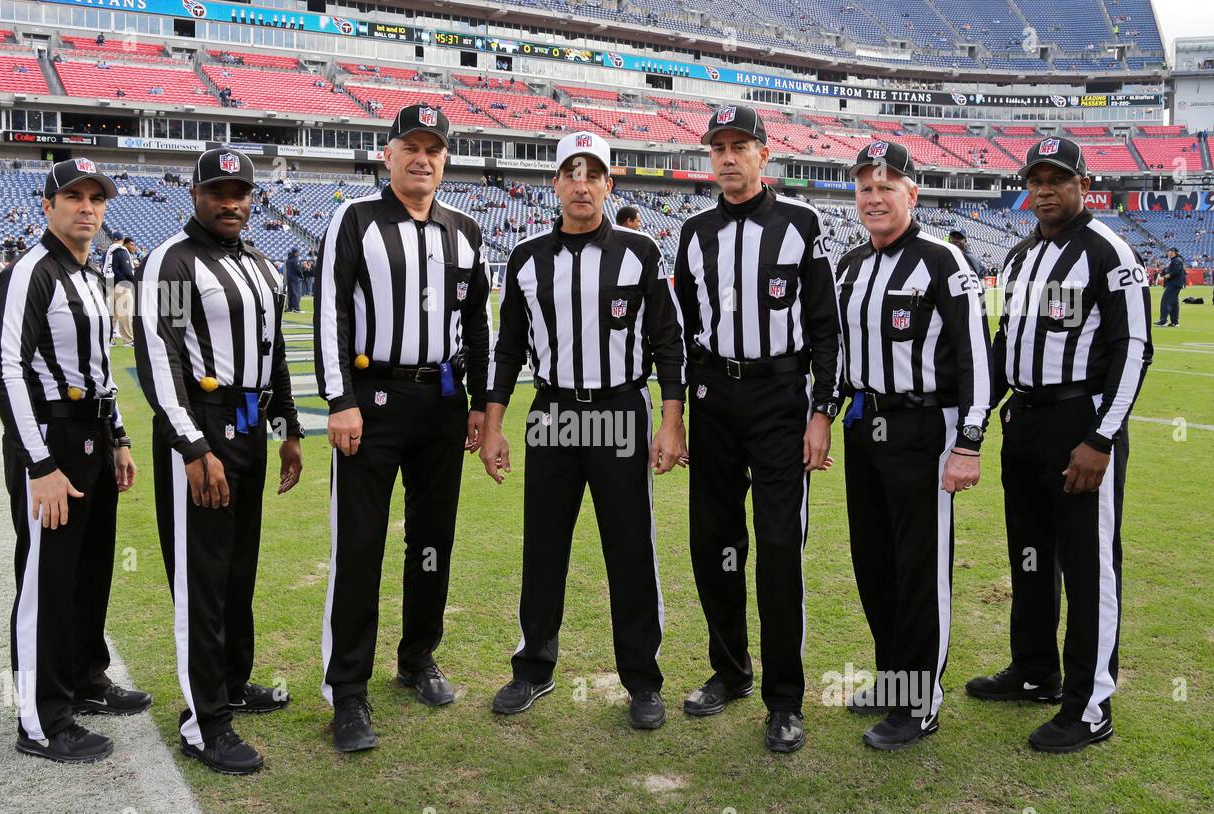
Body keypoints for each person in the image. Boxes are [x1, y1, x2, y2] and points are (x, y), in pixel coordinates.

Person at [479, 132, 687, 731]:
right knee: (544, 544)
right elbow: (508, 348)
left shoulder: (641, 252)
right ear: (555, 185)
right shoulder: (525, 257)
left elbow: (667, 343)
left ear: (608, 185)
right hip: (553, 412)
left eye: (592, 173)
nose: (581, 183)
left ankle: (643, 680)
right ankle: (533, 668)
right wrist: (494, 426)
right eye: (570, 172)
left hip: (621, 408)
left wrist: (671, 421)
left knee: (630, 548)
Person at [313, 105, 490, 753]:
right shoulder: (354, 219)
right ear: (387, 154)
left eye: (434, 148)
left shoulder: (465, 228)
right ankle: (348, 689)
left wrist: (478, 401)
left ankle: (418, 656)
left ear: (446, 158)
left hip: (442, 400)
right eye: (410, 146)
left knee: (432, 537)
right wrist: (340, 399)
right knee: (360, 543)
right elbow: (331, 309)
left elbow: (477, 324)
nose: (422, 158)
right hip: (373, 398)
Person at [967, 136, 1152, 753]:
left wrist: (1102, 437)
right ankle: (1035, 669)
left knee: (1088, 564)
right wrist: (978, 418)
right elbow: (1004, 343)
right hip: (1025, 420)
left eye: (1059, 179)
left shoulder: (1109, 252)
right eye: (1036, 179)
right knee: (1031, 555)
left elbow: (1134, 350)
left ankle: (1090, 704)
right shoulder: (1020, 258)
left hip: (1080, 420)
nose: (1046, 189)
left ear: (1082, 183)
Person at [673, 105, 841, 753]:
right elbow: (685, 329)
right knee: (713, 542)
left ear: (764, 154)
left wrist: (822, 410)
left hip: (779, 398)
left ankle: (785, 697)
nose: (729, 157)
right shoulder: (693, 232)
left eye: (741, 145)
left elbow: (825, 327)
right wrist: (679, 409)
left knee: (775, 547)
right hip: (715, 395)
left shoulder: (802, 223)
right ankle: (730, 670)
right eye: (718, 147)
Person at [135, 148, 305, 775]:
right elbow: (163, 359)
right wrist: (193, 447)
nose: (230, 202)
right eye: (218, 192)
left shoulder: (258, 263)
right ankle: (204, 721)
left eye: (240, 192)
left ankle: (232, 683)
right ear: (195, 196)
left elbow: (274, 351)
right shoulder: (175, 263)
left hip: (251, 424)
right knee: (202, 578)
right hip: (203, 425)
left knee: (237, 569)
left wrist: (287, 429)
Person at [0, 158, 147, 764]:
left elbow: (99, 371)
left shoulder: (88, 272)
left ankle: (84, 679)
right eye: (73, 197)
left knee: (88, 567)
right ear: (47, 206)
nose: (86, 207)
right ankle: (40, 717)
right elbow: (6, 372)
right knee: (46, 578)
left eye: (96, 198)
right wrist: (39, 465)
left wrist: (120, 436)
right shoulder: (31, 271)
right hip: (51, 438)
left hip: (92, 435)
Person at [836, 141, 992, 749]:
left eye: (887, 187)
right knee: (874, 562)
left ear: (912, 194)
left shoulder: (943, 262)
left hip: (924, 427)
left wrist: (969, 442)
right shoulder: (850, 264)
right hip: (865, 424)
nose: (874, 198)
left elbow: (977, 359)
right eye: (866, 187)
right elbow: (841, 356)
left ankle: (921, 698)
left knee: (920, 567)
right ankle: (894, 680)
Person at [108, 234, 136, 346]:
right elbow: (128, 272)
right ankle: (128, 340)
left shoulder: (109, 251)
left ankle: (107, 339)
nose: (133, 246)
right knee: (125, 313)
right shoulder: (122, 252)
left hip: (111, 284)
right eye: (132, 244)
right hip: (123, 284)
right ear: (123, 242)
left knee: (113, 315)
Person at [1157, 246, 1185, 327]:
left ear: (1173, 252)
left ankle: (1163, 321)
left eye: (1169, 251)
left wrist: (1164, 277)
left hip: (1174, 284)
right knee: (1174, 303)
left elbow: (1175, 272)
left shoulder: (1177, 260)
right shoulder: (1175, 260)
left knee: (1166, 301)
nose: (1168, 253)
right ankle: (1174, 322)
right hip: (1175, 284)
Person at [284, 247, 304, 313]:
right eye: (298, 252)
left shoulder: (288, 260)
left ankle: (291, 307)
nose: (299, 253)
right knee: (297, 293)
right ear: (296, 253)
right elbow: (298, 269)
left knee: (291, 293)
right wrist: (301, 276)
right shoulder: (295, 260)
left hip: (289, 278)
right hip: (296, 279)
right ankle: (296, 307)